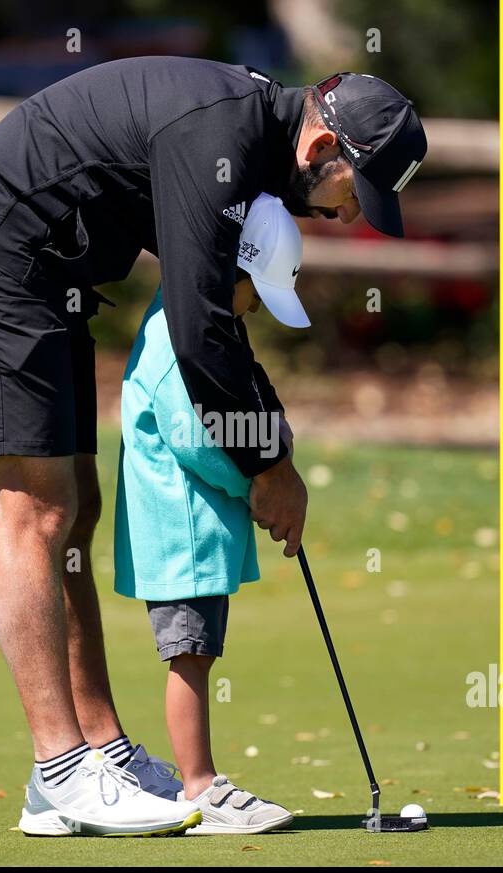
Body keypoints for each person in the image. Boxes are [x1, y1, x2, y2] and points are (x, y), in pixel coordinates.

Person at [0, 57, 427, 836]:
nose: (351, 217)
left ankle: (99, 750)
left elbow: (215, 319)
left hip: (45, 284)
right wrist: (269, 465)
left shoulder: (247, 144)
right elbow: (201, 336)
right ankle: (59, 770)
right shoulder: (219, 137)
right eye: (357, 194)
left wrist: (271, 447)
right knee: (38, 514)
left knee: (73, 515)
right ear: (321, 150)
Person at [114, 193, 306, 834]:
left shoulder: (206, 325)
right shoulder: (180, 335)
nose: (255, 307)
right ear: (232, 269)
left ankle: (201, 781)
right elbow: (197, 436)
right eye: (256, 291)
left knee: (197, 652)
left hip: (194, 529)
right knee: (189, 655)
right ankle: (200, 785)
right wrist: (257, 480)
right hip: (181, 529)